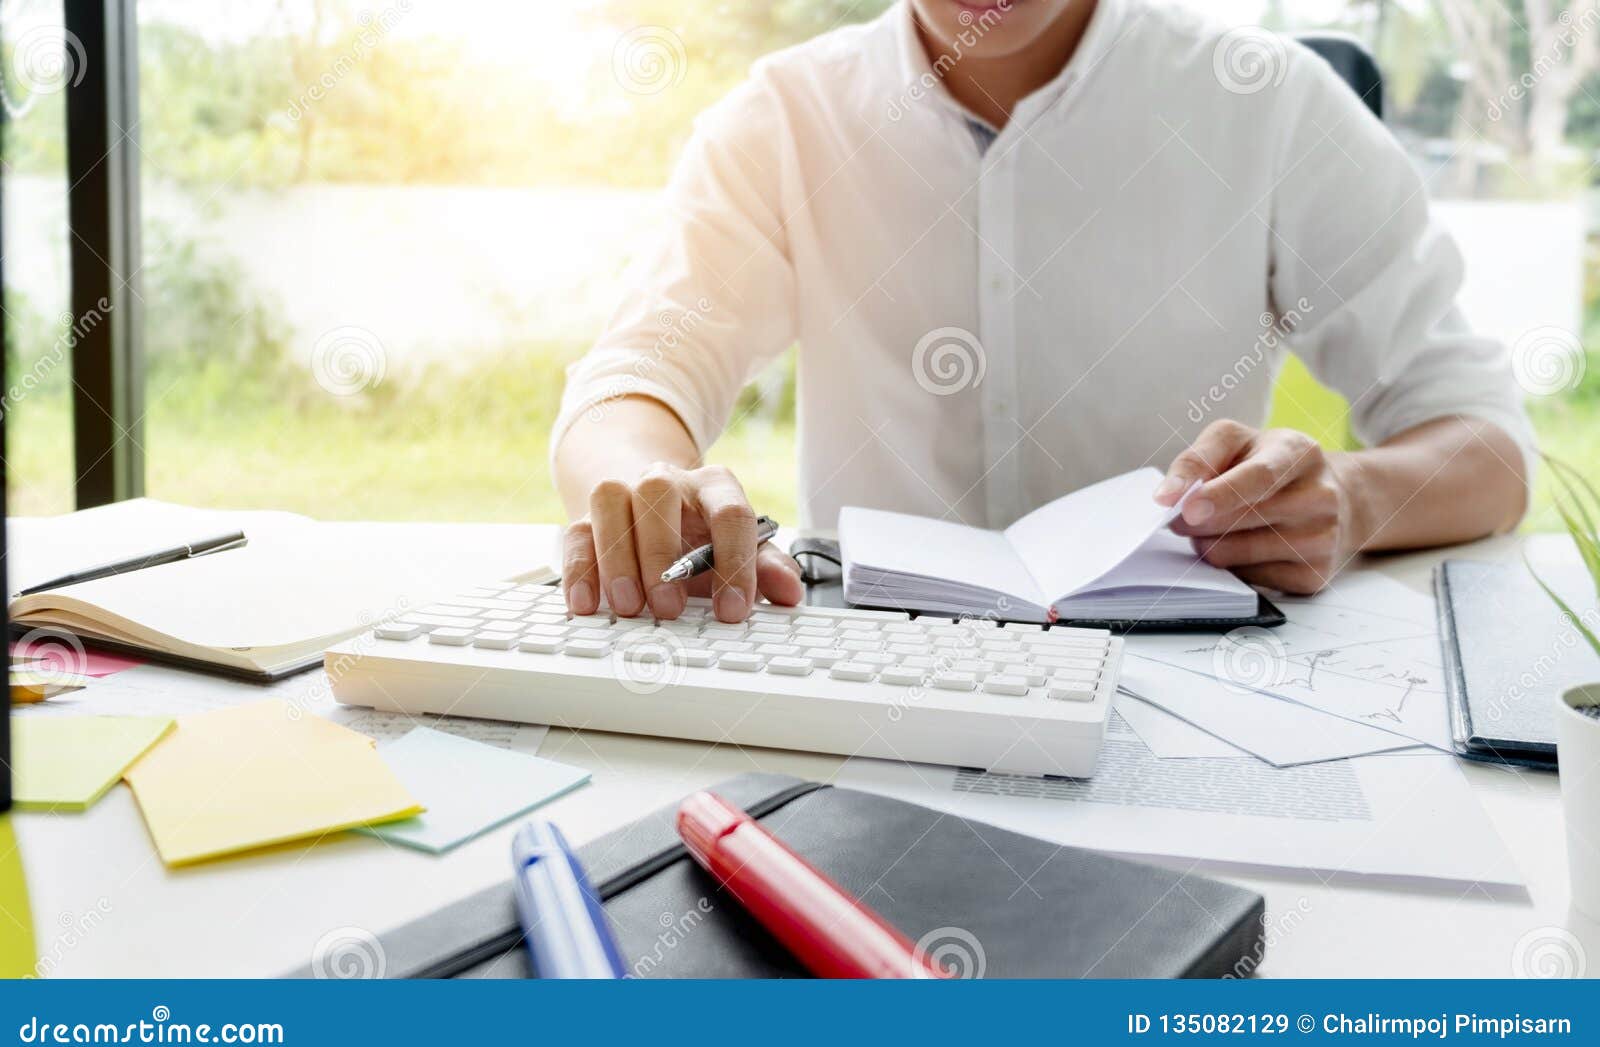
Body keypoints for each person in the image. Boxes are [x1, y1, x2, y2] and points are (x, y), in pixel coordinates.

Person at [552, 0, 1533, 625]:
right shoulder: (784, 115)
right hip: (874, 665)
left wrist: (1358, 499)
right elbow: (635, 379)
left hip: (1185, 672)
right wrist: (643, 481)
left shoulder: (1272, 103)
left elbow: (1487, 451)